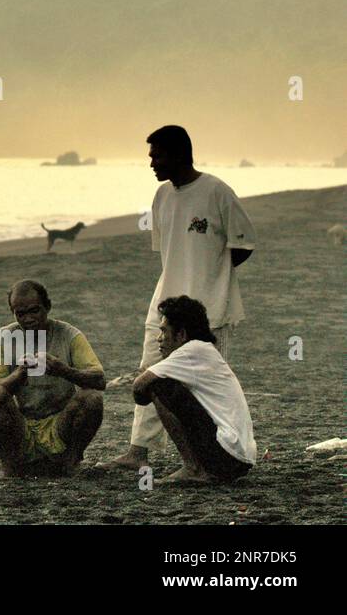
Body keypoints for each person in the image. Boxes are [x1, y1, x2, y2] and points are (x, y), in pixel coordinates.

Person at [103, 125, 256, 470]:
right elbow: (169, 251)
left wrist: (211, 277)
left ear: (178, 154)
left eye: (157, 155)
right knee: (151, 372)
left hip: (210, 310)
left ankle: (204, 459)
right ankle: (137, 452)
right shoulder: (161, 196)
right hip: (165, 302)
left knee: (202, 387)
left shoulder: (217, 191)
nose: (152, 163)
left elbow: (243, 245)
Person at [0, 280, 105, 477]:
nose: (28, 318)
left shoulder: (68, 334)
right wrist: (20, 374)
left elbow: (99, 380)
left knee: (92, 398)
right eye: (20, 313)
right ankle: (9, 464)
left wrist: (62, 370)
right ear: (13, 313)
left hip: (60, 424)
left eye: (34, 311)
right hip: (23, 426)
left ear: (47, 307)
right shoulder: (6, 336)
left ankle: (70, 460)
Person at [132, 296, 256, 483]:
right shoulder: (203, 350)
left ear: (181, 334)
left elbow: (139, 387)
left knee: (160, 386)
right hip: (239, 458)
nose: (159, 339)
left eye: (164, 331)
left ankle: (192, 467)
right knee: (165, 384)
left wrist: (148, 380)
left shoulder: (191, 351)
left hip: (227, 455)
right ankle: (199, 467)